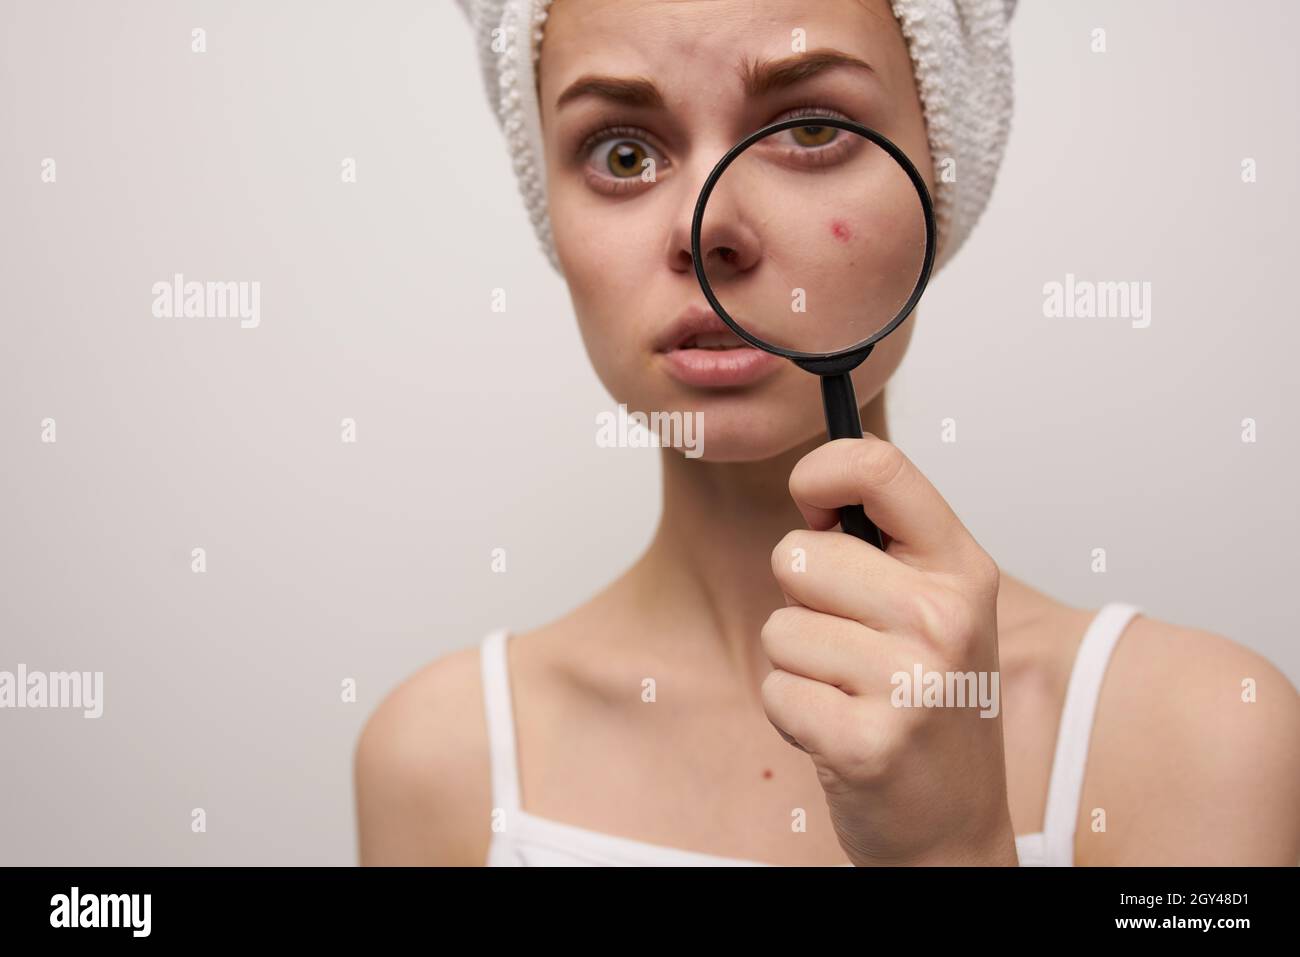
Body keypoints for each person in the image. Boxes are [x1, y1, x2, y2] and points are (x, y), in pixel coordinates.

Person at [354, 0, 1300, 866]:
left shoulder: (1208, 736)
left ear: (939, 176)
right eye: (623, 153)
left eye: (810, 127)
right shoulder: (440, 760)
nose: (705, 228)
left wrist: (956, 846)